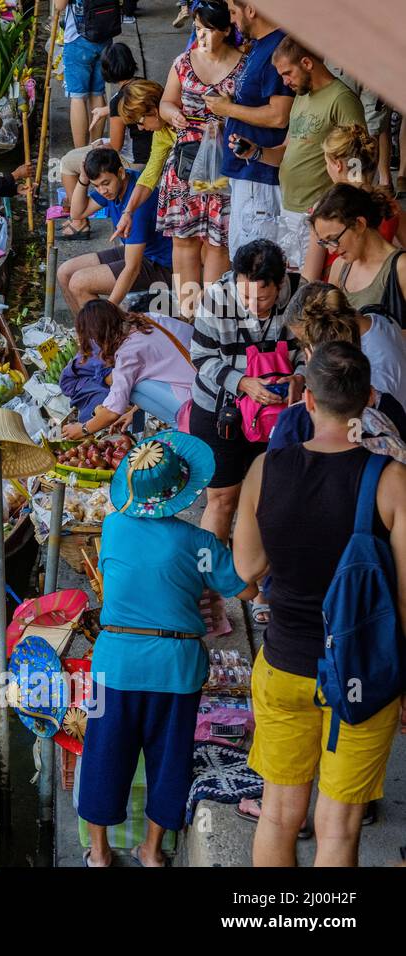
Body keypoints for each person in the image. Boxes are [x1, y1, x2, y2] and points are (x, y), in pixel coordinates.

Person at [233, 342, 406, 866]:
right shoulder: (392, 481)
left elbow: (245, 569)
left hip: (284, 663)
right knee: (338, 828)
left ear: (306, 399)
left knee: (279, 815)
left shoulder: (266, 468)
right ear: (369, 400)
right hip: (362, 676)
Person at [78, 430, 256, 867]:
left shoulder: (113, 527)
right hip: (174, 668)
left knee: (104, 755)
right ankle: (152, 852)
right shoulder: (199, 544)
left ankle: (99, 853)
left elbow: (135, 578)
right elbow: (245, 588)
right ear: (181, 492)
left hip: (116, 664)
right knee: (170, 758)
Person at [189, 239, 303, 545]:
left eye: (263, 298)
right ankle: (212, 583)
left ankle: (254, 584)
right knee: (223, 498)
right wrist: (243, 383)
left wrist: (299, 379)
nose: (253, 306)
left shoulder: (299, 297)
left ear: (280, 284)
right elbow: (200, 357)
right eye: (246, 296)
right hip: (220, 409)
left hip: (277, 413)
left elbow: (310, 353)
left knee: (268, 497)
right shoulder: (215, 299)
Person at [229, 36, 365, 271]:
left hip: (318, 213)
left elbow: (358, 160)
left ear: (307, 63)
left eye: (287, 73)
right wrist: (255, 152)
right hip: (288, 207)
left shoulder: (342, 99)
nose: (284, 81)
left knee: (309, 282)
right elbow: (285, 150)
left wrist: (342, 210)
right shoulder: (302, 97)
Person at [157, 0, 244, 313]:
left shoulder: (244, 66)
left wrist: (228, 115)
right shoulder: (183, 62)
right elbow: (166, 102)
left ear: (225, 30)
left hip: (225, 160)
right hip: (187, 159)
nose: (201, 36)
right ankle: (187, 313)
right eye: (196, 30)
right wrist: (172, 115)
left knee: (218, 240)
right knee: (184, 237)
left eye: (207, 30)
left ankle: (212, 315)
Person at [203, 3, 293, 255]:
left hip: (260, 176)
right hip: (248, 172)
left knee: (253, 264)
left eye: (233, 12)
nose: (232, 21)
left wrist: (228, 110)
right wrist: (231, 106)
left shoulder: (278, 47)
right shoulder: (261, 44)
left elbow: (279, 115)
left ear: (251, 9)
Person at [269, 282, 406, 448]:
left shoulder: (376, 374)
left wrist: (315, 379)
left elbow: (352, 440)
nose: (305, 350)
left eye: (306, 343)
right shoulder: (373, 319)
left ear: (325, 331)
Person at [58, 147, 175, 313]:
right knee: (65, 272)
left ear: (120, 173)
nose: (102, 191)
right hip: (138, 252)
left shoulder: (138, 201)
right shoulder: (115, 186)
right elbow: (77, 213)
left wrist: (109, 312)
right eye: (96, 186)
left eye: (105, 184)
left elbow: (132, 269)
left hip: (161, 265)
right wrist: (83, 180)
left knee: (79, 283)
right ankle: (85, 332)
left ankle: (103, 333)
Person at [62, 301, 196, 439]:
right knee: (133, 380)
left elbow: (112, 412)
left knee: (128, 384)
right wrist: (134, 411)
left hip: (196, 405)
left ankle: (183, 427)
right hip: (210, 387)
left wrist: (82, 429)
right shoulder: (148, 318)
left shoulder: (128, 352)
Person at [57, 42, 146, 241]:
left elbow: (115, 146)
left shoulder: (118, 100)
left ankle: (79, 221)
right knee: (94, 144)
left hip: (134, 160)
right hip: (148, 154)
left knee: (67, 162)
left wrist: (97, 146)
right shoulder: (143, 86)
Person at [301, 126, 406, 281]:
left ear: (337, 164)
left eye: (327, 163)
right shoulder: (389, 204)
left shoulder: (326, 209)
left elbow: (310, 274)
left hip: (338, 292)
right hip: (379, 290)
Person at [312, 184, 406, 327]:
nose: (331, 250)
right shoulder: (339, 267)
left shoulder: (401, 268)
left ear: (360, 224)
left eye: (334, 239)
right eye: (324, 242)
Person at [111, 80, 177, 248]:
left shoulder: (186, 119)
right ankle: (179, 276)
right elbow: (150, 174)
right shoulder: (162, 132)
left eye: (140, 121)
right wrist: (128, 212)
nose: (140, 128)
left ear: (154, 111)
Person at [55, 0, 115, 151]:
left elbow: (59, 5)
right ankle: (96, 148)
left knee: (78, 97)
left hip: (77, 40)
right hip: (105, 34)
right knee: (97, 93)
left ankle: (81, 153)